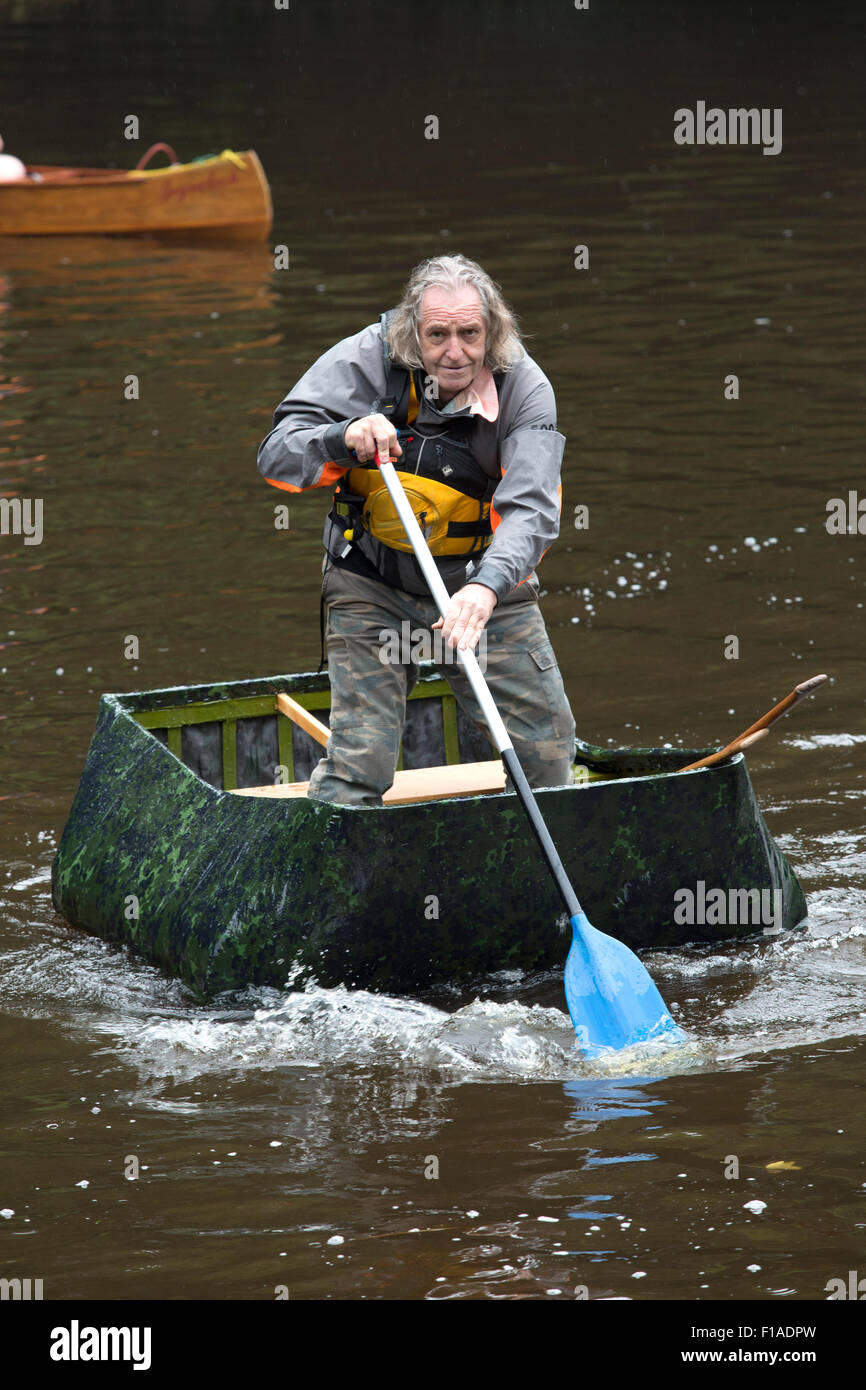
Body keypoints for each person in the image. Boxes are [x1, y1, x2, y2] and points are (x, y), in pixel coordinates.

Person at [257, 253, 576, 806]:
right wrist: (343, 435)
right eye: (438, 335)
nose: (455, 352)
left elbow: (531, 510)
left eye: (470, 334)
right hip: (370, 582)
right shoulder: (365, 358)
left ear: (492, 332)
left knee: (547, 754)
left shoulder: (526, 388)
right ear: (410, 333)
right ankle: (341, 873)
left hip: (481, 586)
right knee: (361, 764)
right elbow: (276, 454)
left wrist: (486, 587)